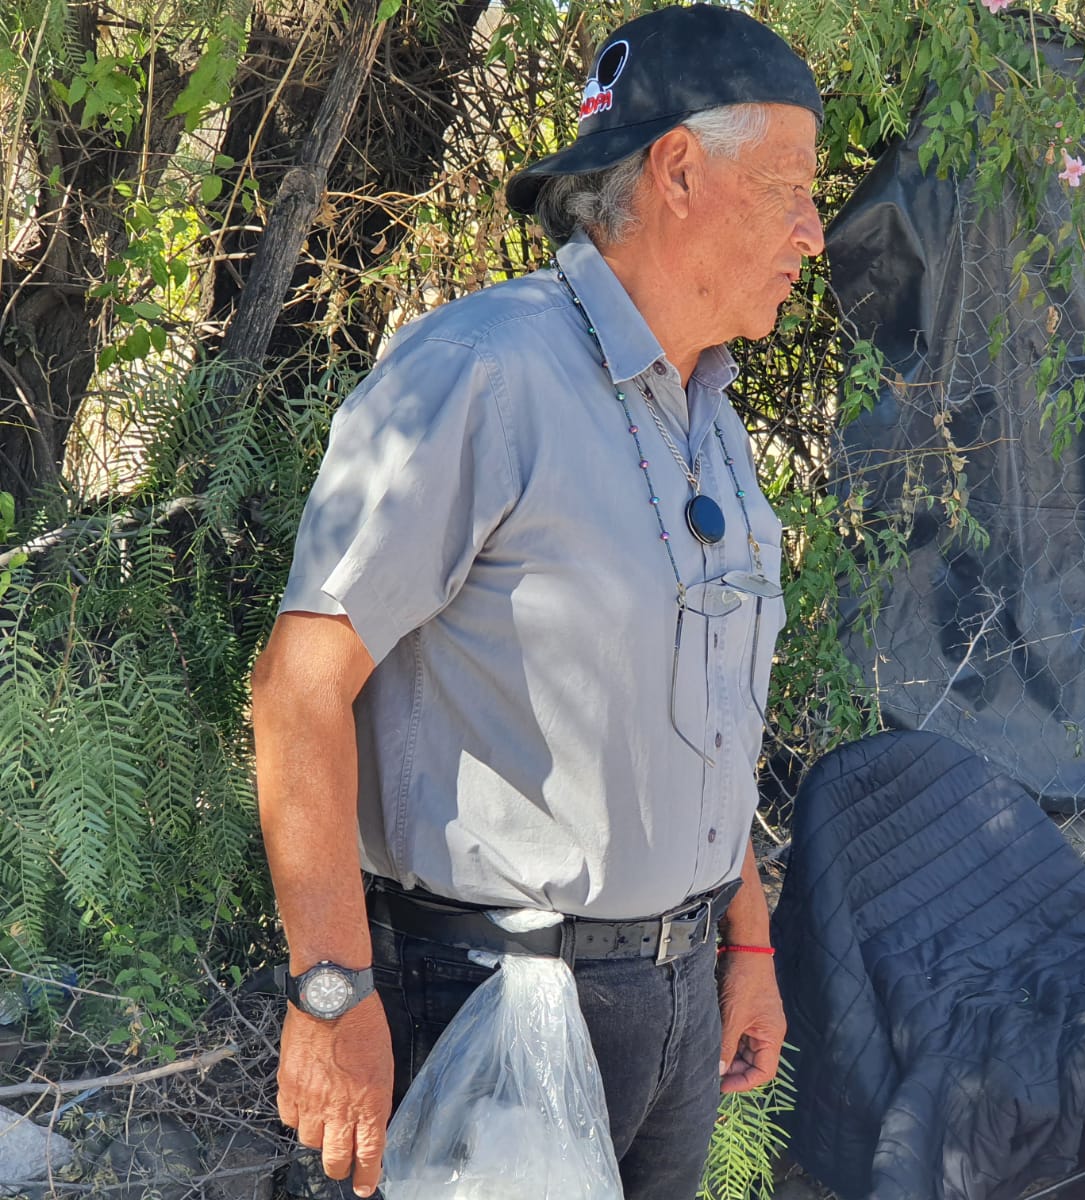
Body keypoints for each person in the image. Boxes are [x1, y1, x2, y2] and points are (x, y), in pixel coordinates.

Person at [249, 6, 825, 1197]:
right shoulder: (480, 375)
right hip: (494, 1008)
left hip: (672, 1003)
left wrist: (744, 937)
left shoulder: (704, 414)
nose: (813, 233)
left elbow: (706, 714)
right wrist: (329, 994)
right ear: (677, 171)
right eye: (788, 191)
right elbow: (297, 690)